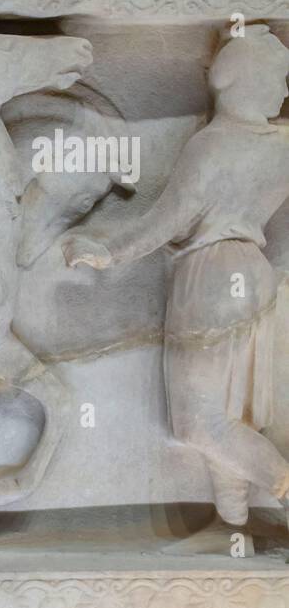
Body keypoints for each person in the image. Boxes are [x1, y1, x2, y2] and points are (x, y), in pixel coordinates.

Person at [64, 26, 289, 529]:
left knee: (199, 423)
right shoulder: (282, 147)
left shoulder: (211, 147)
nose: (284, 90)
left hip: (209, 277)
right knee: (228, 414)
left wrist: (106, 250)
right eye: (279, 77)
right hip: (253, 273)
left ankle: (280, 485)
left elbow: (166, 220)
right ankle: (232, 517)